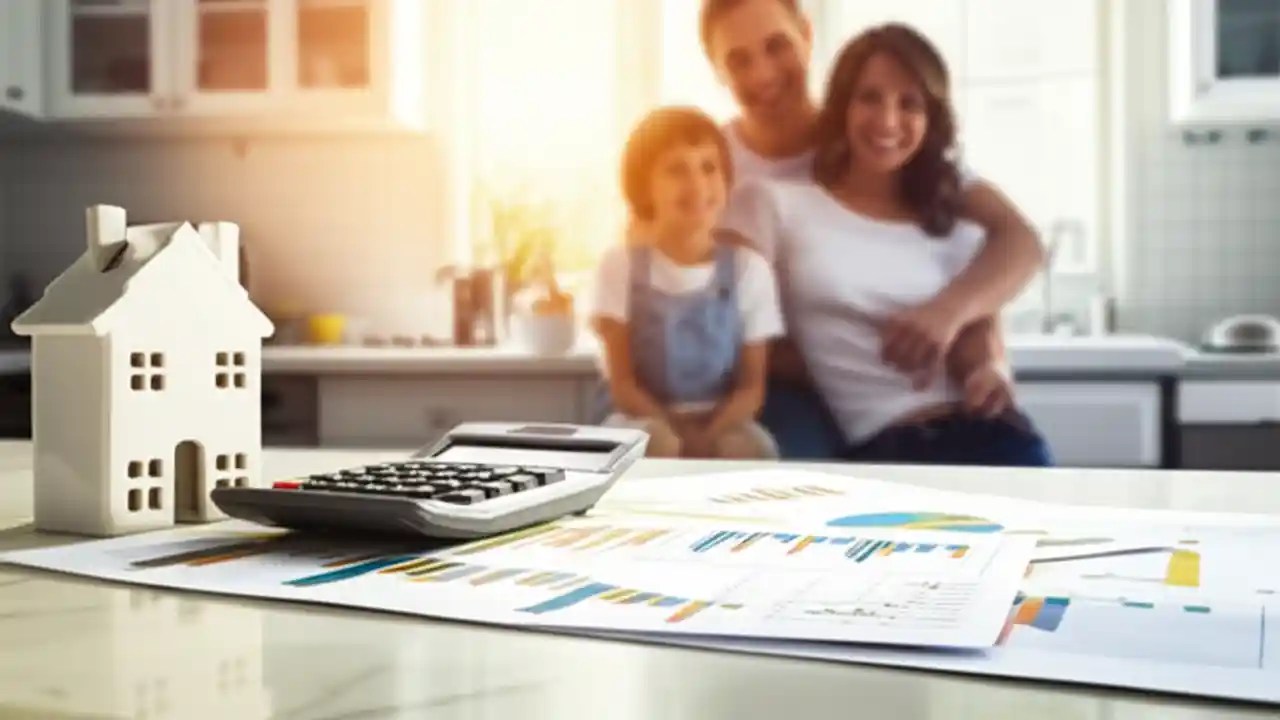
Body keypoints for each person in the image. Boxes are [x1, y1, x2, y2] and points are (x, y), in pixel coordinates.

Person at [697, 0, 1047, 460]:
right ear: (716, 69)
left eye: (776, 46)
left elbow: (1013, 243)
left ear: (806, 34)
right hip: (808, 396)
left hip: (976, 426)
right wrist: (838, 355)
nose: (762, 74)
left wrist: (973, 344)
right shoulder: (717, 172)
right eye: (738, 59)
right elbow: (705, 308)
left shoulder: (901, 157)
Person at [590, 106, 785, 459]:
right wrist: (675, 433)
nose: (696, 184)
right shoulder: (618, 267)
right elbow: (623, 386)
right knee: (659, 444)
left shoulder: (748, 271)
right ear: (644, 187)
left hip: (720, 419)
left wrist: (708, 436)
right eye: (676, 170)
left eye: (708, 168)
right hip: (637, 418)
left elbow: (751, 388)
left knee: (755, 448)